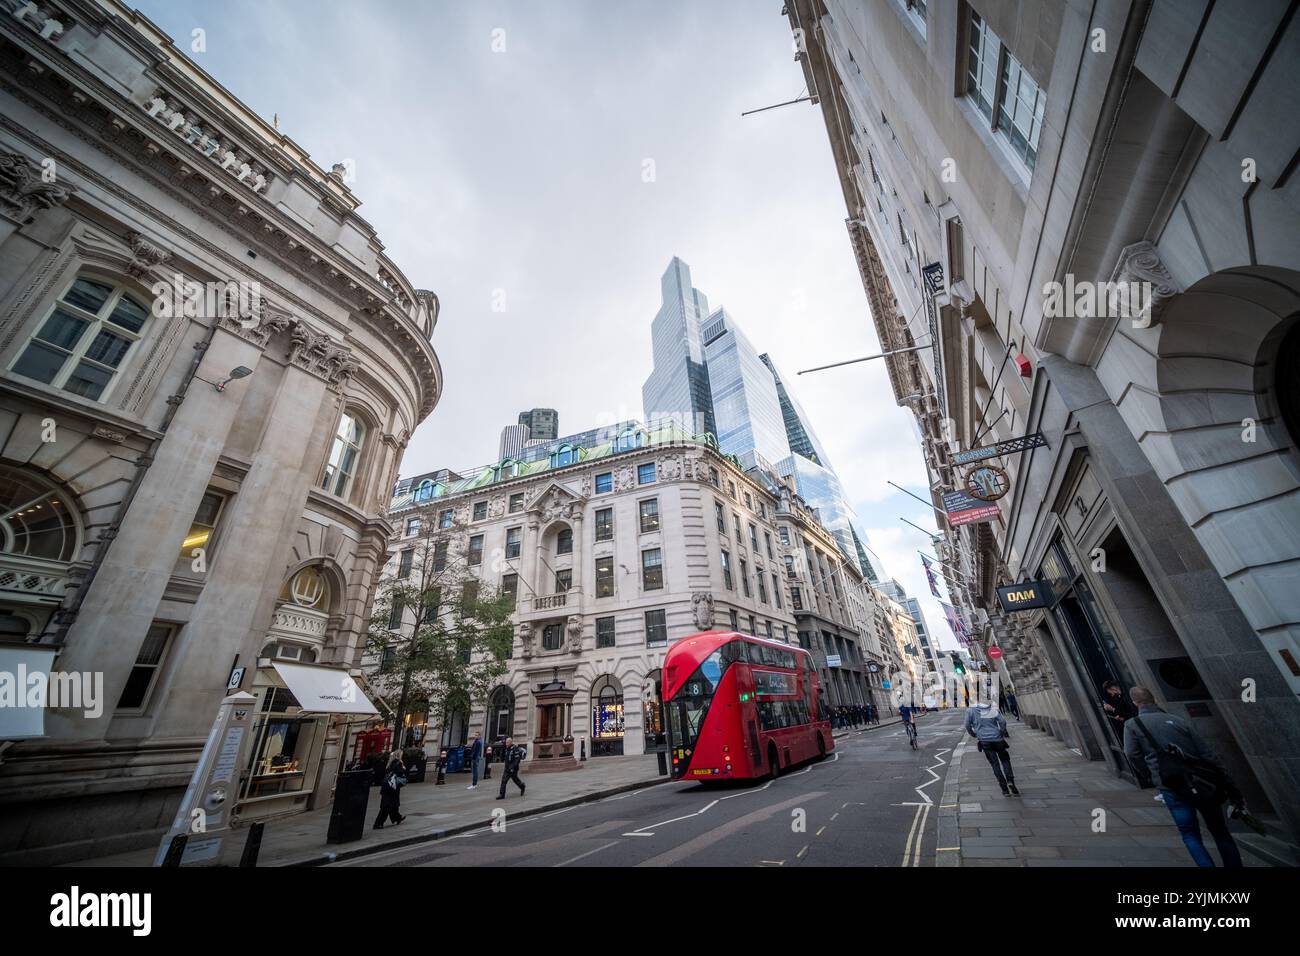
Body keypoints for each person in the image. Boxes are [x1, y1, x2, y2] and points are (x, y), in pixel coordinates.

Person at [1122, 687, 1243, 868]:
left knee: (1189, 834)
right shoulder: (1178, 720)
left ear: (1134, 702)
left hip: (1171, 784)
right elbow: (1208, 754)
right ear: (1153, 699)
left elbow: (1131, 753)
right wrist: (1229, 784)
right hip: (1202, 783)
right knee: (1220, 831)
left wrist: (1150, 774)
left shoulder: (1133, 724)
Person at [964, 700, 1017, 795]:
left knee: (994, 764)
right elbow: (1002, 721)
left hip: (984, 741)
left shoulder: (971, 710)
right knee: (1005, 760)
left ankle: (1004, 789)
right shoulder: (991, 707)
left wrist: (973, 734)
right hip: (998, 739)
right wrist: (1002, 732)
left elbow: (967, 725)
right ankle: (1010, 781)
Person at [373, 751, 407, 829]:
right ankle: (378, 823)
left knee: (393, 804)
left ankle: (397, 818)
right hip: (392, 787)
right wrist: (403, 768)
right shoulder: (398, 763)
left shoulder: (389, 763)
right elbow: (399, 773)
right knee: (386, 806)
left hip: (386, 786)